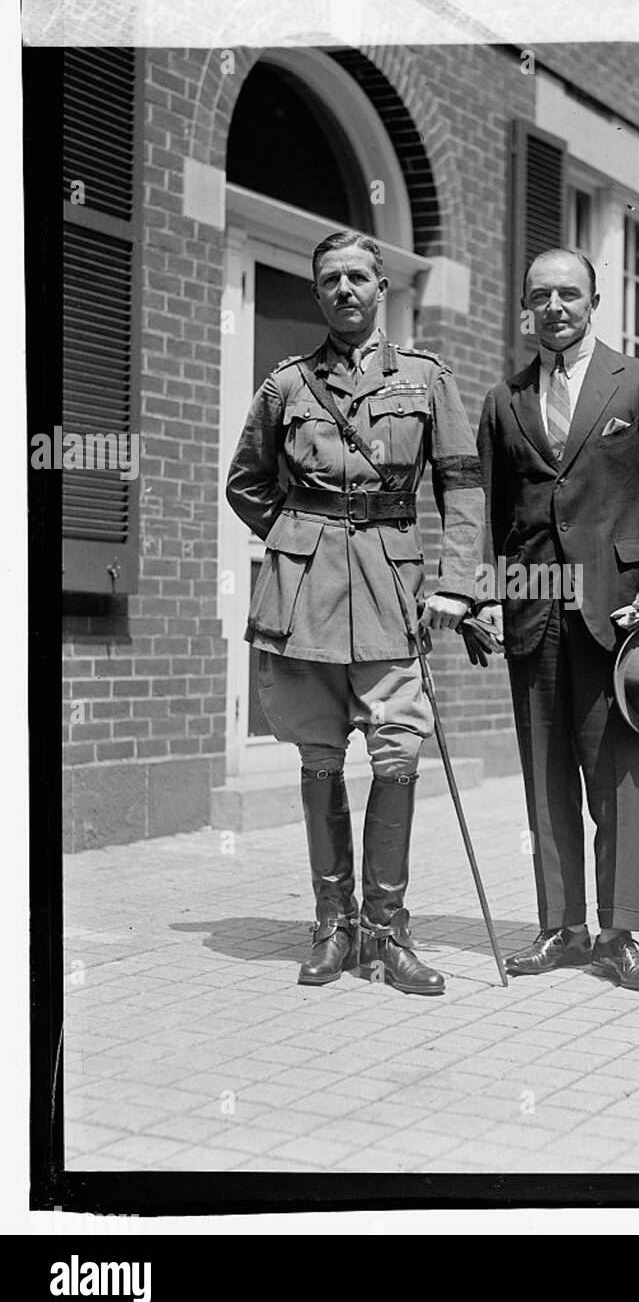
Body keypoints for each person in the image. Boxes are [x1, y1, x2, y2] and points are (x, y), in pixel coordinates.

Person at [226, 230, 483, 996]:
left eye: (358, 278)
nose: (344, 290)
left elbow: (462, 487)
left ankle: (387, 931)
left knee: (398, 749)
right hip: (302, 593)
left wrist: (456, 583)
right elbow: (246, 482)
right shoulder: (285, 386)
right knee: (317, 754)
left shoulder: (428, 381)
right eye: (330, 279)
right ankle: (332, 924)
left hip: (390, 584)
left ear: (381, 288)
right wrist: (296, 536)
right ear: (317, 294)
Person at [474, 247, 639, 993]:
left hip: (619, 614)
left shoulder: (638, 384)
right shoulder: (504, 399)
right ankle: (561, 928)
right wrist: (483, 594)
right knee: (544, 783)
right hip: (533, 613)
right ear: (527, 308)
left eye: (569, 293)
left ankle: (619, 934)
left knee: (619, 782)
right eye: (540, 296)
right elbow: (492, 514)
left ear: (594, 300)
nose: (555, 307)